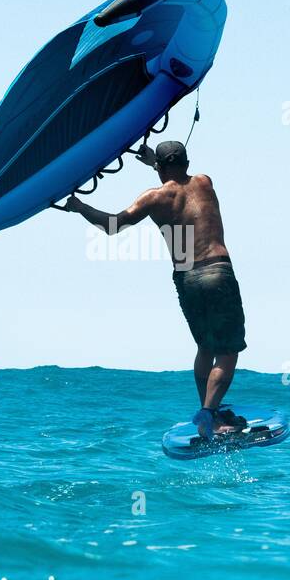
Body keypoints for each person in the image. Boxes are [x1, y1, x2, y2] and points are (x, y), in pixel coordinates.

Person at [64, 140, 247, 439]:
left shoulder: (153, 198)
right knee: (227, 354)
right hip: (217, 271)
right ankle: (209, 414)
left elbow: (114, 225)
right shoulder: (204, 182)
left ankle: (208, 413)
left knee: (205, 348)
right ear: (187, 163)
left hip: (187, 277)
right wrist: (156, 162)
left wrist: (80, 207)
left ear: (160, 168)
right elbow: (179, 177)